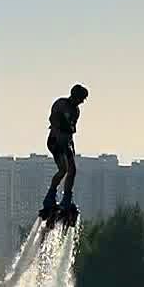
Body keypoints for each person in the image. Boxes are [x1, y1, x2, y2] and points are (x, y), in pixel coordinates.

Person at [43, 83, 88, 212]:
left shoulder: (76, 111)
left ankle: (67, 199)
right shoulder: (61, 104)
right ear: (75, 96)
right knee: (63, 169)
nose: (82, 102)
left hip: (67, 142)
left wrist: (71, 147)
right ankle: (50, 196)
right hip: (55, 141)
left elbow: (71, 130)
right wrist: (59, 137)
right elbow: (53, 121)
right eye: (81, 99)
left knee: (72, 170)